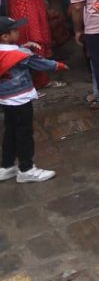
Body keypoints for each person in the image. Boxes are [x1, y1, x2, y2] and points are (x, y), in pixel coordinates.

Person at [0, 16, 64, 183]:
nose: (18, 32)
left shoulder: (8, 51)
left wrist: (22, 47)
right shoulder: (20, 54)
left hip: (6, 98)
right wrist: (58, 65)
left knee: (10, 131)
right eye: (14, 30)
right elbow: (39, 63)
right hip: (20, 98)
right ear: (5, 36)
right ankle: (26, 168)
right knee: (24, 133)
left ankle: (6, 166)